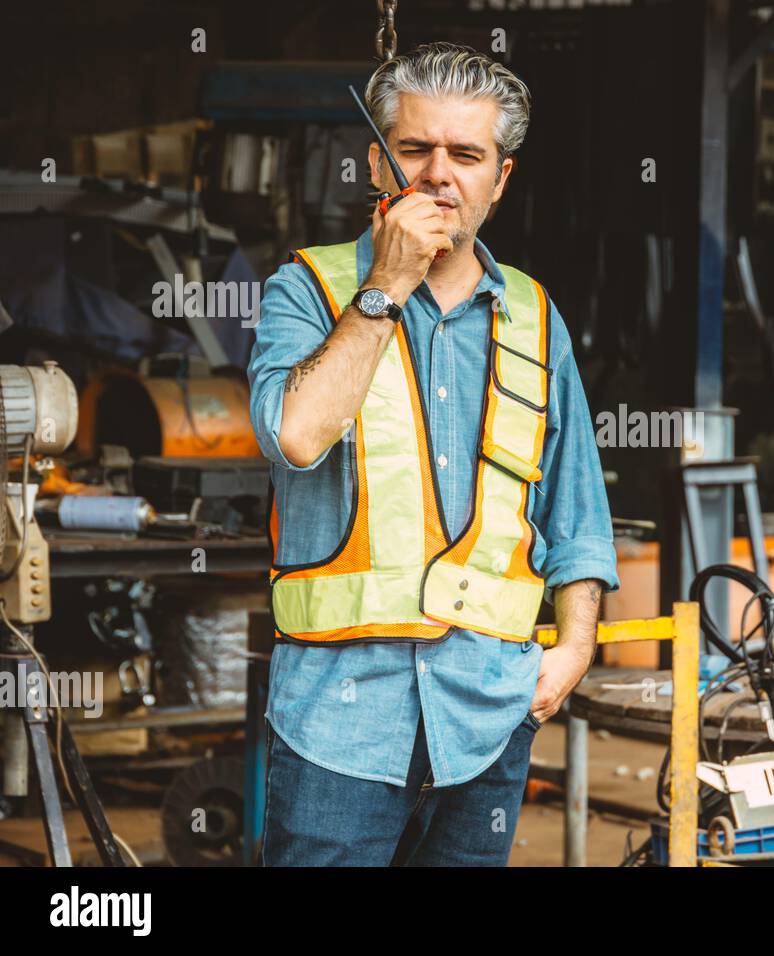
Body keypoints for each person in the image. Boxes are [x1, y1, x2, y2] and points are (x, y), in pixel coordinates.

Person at [247, 42, 618, 866]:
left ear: (501, 178)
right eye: (415, 150)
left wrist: (575, 647)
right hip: (339, 725)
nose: (439, 174)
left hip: (489, 714)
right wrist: (387, 285)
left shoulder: (534, 315)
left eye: (466, 155)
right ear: (377, 165)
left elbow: (576, 506)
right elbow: (297, 435)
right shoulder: (306, 290)